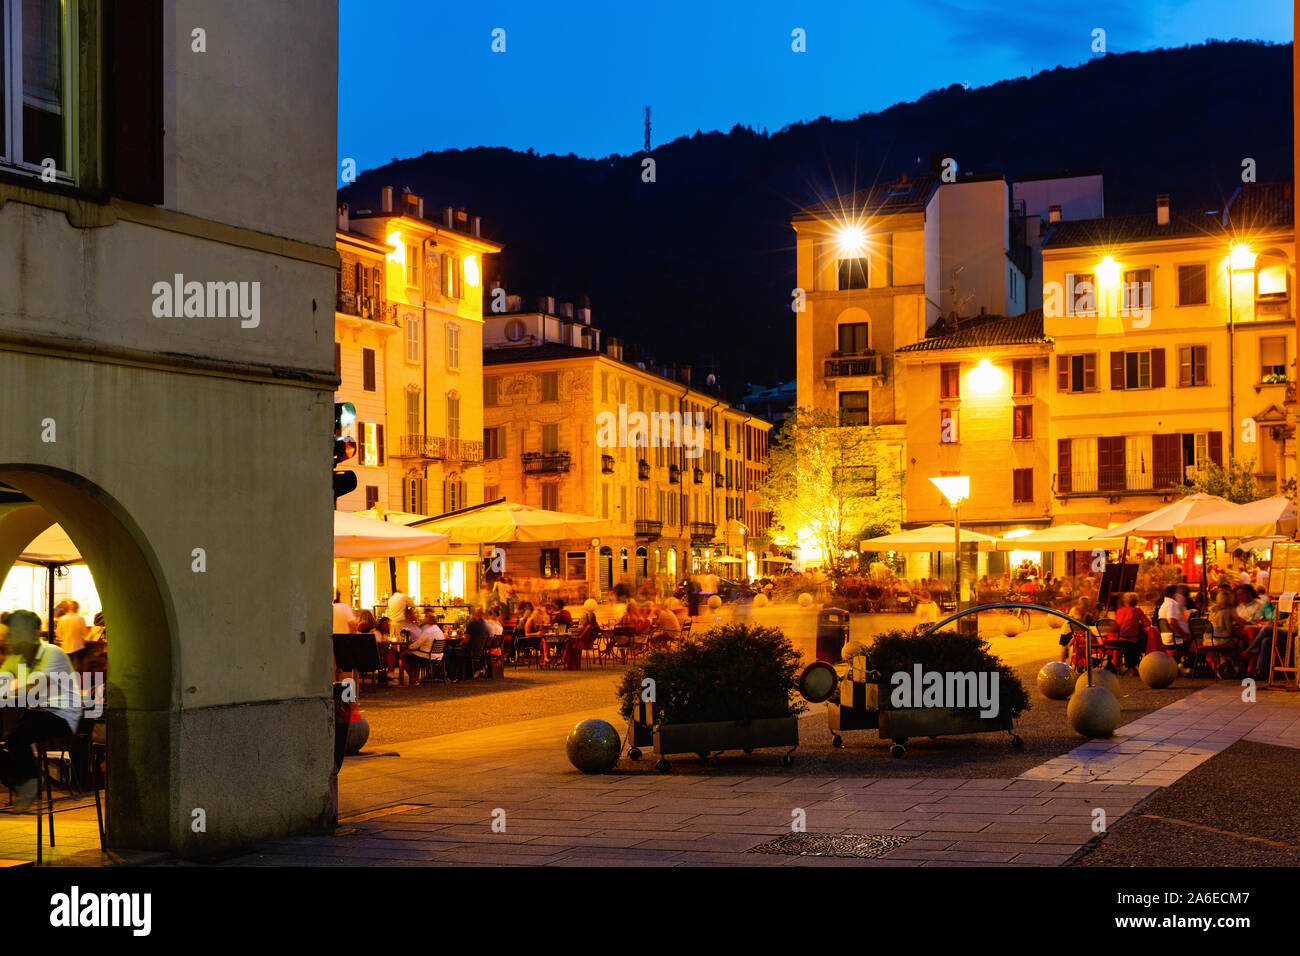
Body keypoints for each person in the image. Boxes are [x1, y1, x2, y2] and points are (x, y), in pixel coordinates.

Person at [0, 610, 84, 810]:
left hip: (63, 715)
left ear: (34, 633)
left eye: (17, 632)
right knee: (16, 731)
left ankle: (29, 784)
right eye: (11, 633)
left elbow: (34, 690)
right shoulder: (15, 660)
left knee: (16, 734)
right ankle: (22, 782)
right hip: (33, 713)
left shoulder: (52, 653)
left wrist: (7, 692)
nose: (11, 638)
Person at [403, 612, 445, 684]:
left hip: (427, 656)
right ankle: (415, 677)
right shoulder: (439, 631)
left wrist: (409, 647)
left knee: (405, 656)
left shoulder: (428, 631)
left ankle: (413, 678)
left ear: (428, 623)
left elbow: (417, 644)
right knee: (413, 655)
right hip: (439, 656)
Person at [55, 600, 89, 671]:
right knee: (77, 669)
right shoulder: (80, 619)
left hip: (66, 647)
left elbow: (59, 635)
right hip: (78, 647)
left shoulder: (62, 619)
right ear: (77, 608)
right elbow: (85, 634)